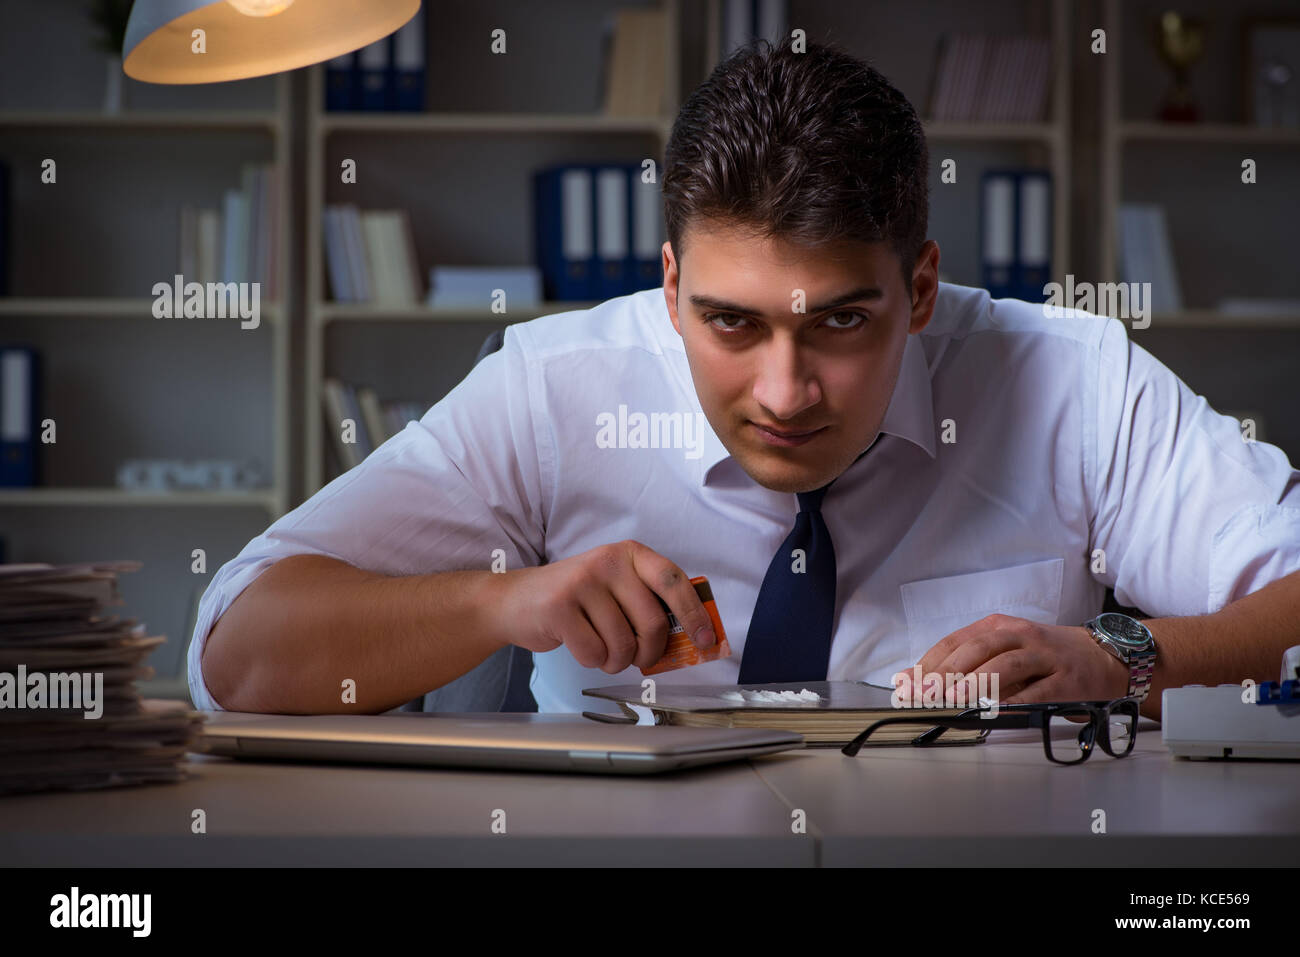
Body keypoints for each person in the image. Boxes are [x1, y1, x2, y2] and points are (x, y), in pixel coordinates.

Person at [191, 39, 1300, 722]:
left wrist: (1123, 655)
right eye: (729, 322)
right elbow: (235, 657)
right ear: (668, 287)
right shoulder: (552, 387)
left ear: (919, 288)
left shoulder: (1071, 382)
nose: (783, 392)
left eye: (842, 323)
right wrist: (498, 597)